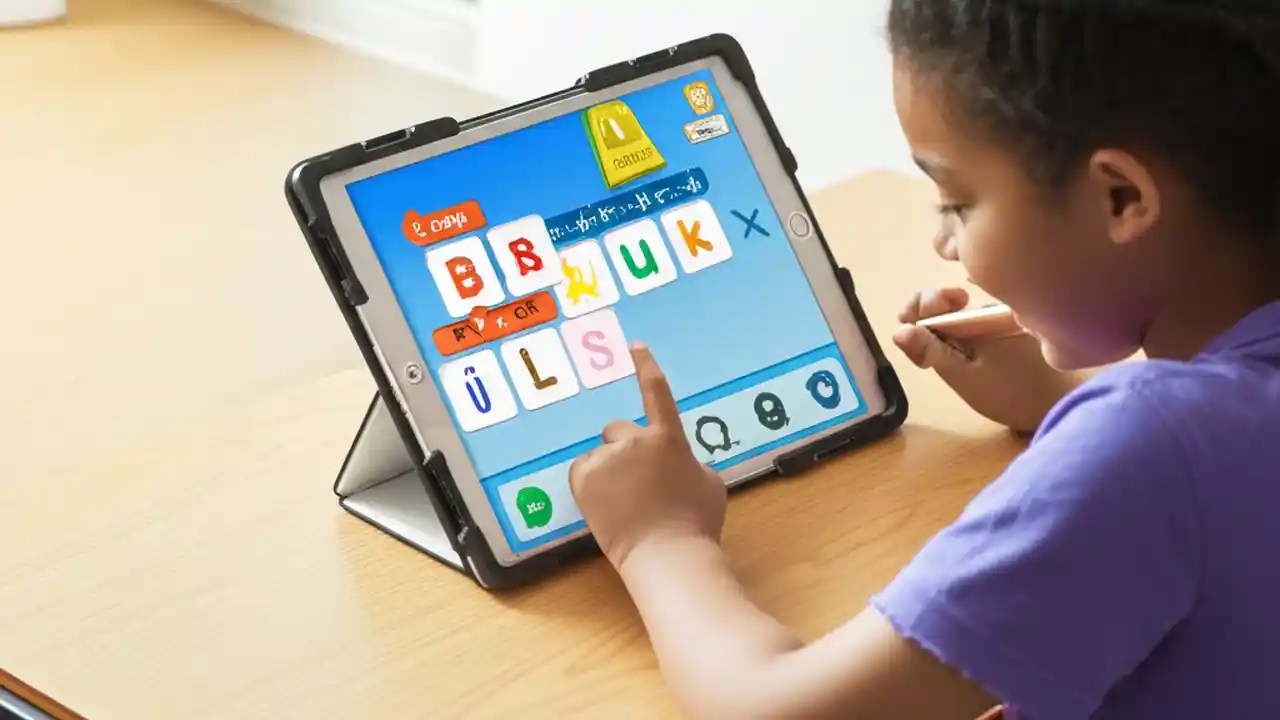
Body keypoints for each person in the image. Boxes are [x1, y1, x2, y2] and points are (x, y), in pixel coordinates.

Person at [568, 1, 1280, 718]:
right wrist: (1055, 402)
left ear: (1121, 197)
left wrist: (658, 540)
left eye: (956, 201)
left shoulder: (1153, 450)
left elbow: (773, 712)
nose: (945, 242)